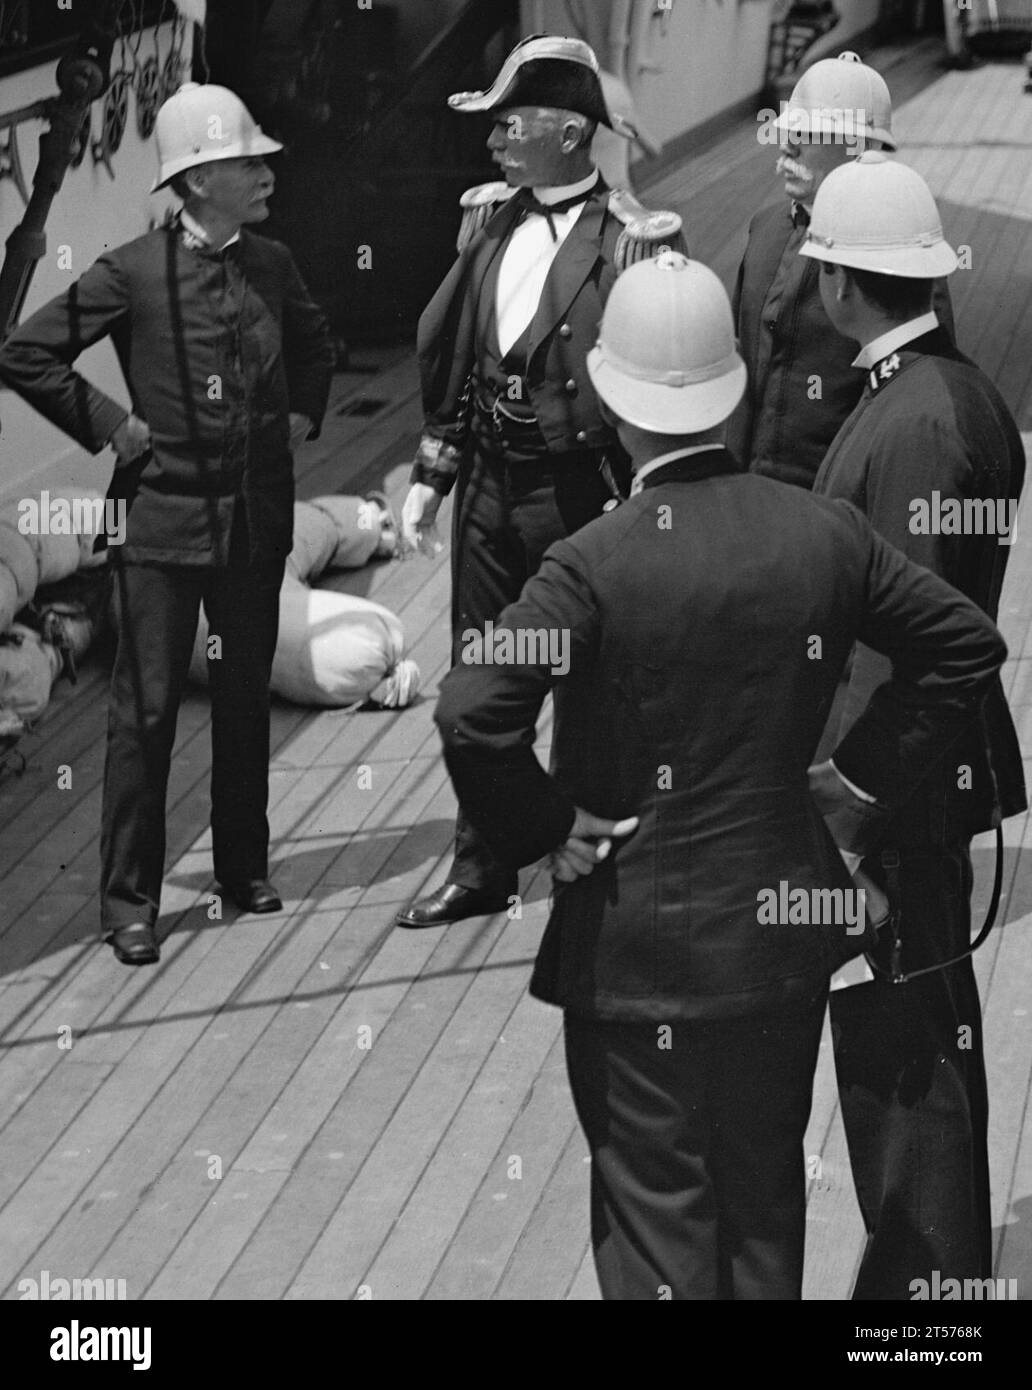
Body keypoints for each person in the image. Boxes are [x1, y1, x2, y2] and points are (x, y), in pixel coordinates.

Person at [434, 251, 1009, 1299]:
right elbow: (966, 647)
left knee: (659, 1235)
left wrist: (546, 827)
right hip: (778, 944)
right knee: (761, 1219)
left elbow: (473, 710)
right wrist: (861, 778)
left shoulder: (590, 564)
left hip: (634, 955)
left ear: (611, 403)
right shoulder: (822, 535)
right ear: (735, 387)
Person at [0, 83, 335, 965]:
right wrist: (113, 425)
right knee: (144, 713)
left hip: (253, 525)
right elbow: (25, 350)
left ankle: (242, 870)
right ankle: (129, 903)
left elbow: (313, 342)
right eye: (242, 162)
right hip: (157, 527)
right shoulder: (133, 270)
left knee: (242, 695)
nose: (264, 173)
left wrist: (304, 413)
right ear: (192, 184)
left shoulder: (274, 263)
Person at [394, 34, 684, 930]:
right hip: (487, 483)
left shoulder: (636, 239)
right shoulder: (485, 219)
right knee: (484, 675)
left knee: (587, 681)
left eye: (507, 124)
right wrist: (431, 476)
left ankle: (590, 859)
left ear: (568, 133)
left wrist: (653, 492)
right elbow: (463, 361)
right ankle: (480, 866)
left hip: (581, 490)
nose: (492, 143)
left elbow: (654, 372)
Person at [801, 151, 1026, 1298]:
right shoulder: (955, 395)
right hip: (918, 780)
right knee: (927, 1030)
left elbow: (913, 644)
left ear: (844, 284)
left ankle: (924, 1303)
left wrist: (849, 797)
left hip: (890, 788)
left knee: (908, 1062)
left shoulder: (915, 422)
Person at [729, 51, 953, 489]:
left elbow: (922, 396)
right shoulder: (765, 230)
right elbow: (739, 363)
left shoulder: (900, 250)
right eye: (788, 129)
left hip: (839, 506)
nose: (787, 145)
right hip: (750, 499)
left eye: (808, 132)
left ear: (862, 147)